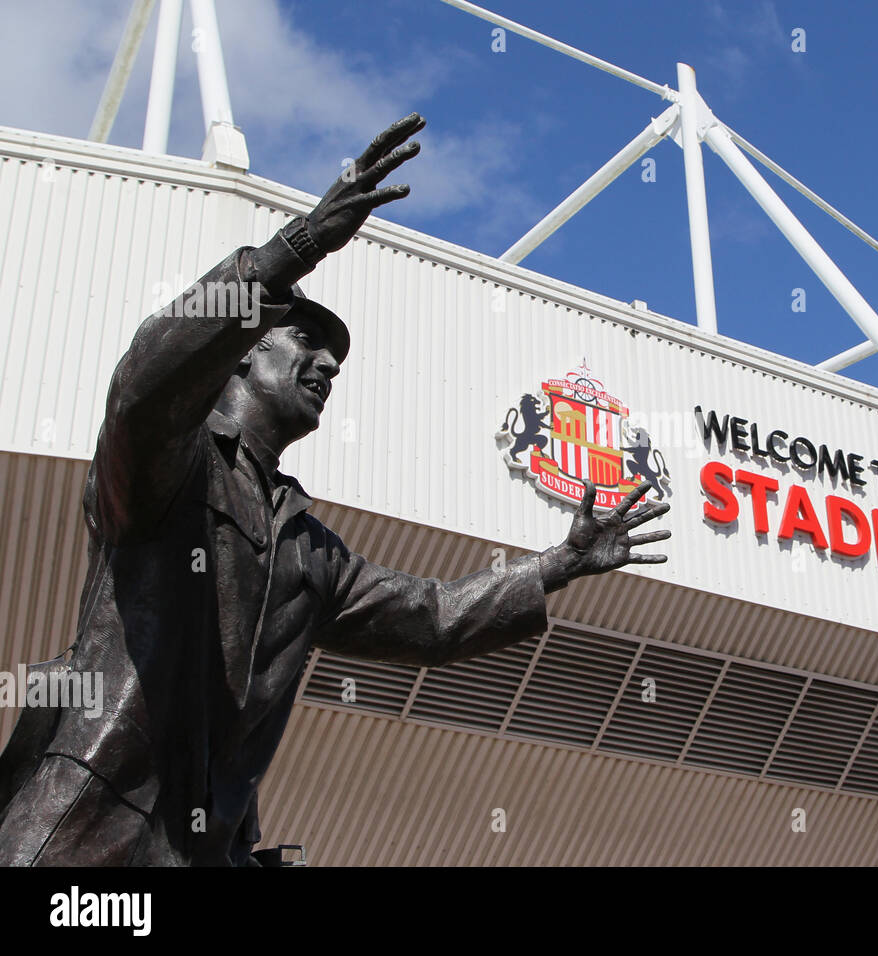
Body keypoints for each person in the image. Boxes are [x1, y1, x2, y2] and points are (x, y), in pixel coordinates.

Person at [0, 113, 671, 866]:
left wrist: (558, 563)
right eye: (308, 343)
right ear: (245, 354)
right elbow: (143, 386)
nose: (328, 366)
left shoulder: (307, 545)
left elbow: (432, 616)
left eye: (337, 358)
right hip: (92, 837)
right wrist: (297, 247)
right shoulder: (169, 464)